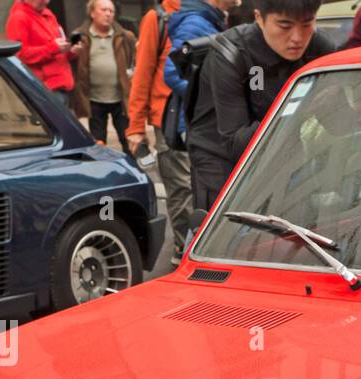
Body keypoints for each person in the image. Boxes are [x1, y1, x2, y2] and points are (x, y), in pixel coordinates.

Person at [184, 0, 334, 210]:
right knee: (229, 236)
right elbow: (237, 143)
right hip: (222, 163)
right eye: (284, 26)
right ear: (259, 19)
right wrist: (301, 107)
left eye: (307, 24)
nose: (297, 38)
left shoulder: (318, 48)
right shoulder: (230, 54)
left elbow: (339, 122)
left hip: (283, 151)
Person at [128, 0, 195, 260]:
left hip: (200, 115)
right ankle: (184, 249)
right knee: (182, 187)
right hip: (167, 117)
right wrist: (135, 125)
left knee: (200, 185)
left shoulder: (206, 13)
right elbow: (143, 72)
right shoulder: (157, 19)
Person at [163, 0, 239, 144]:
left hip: (204, 122)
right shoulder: (195, 22)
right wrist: (211, 98)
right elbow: (172, 72)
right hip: (198, 124)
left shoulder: (209, 20)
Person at [72, 0, 137, 154]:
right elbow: (71, 62)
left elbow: (135, 60)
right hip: (94, 100)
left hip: (121, 100)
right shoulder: (77, 35)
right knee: (98, 144)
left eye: (111, 11)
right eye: (104, 10)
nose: (108, 14)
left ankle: (139, 171)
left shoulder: (126, 36)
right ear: (92, 13)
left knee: (130, 140)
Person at [5, 0, 80, 104]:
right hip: (45, 89)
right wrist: (53, 48)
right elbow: (20, 55)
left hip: (63, 86)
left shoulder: (48, 14)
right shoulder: (18, 18)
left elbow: (58, 51)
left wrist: (71, 51)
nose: (47, 2)